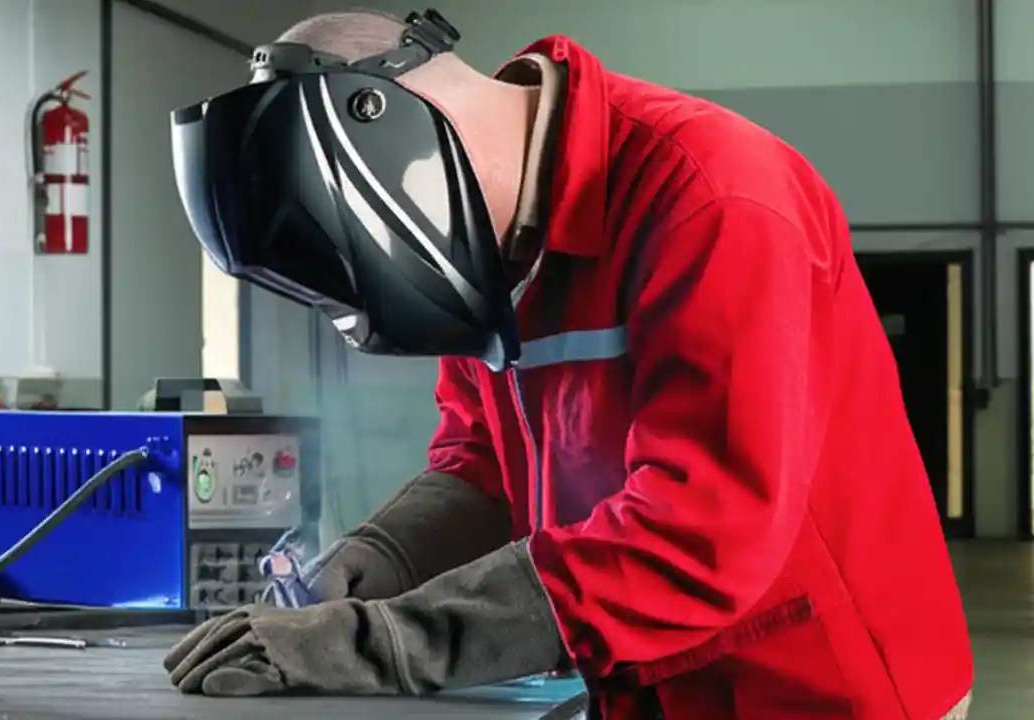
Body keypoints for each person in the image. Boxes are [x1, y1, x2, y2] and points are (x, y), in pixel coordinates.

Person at [162, 8, 974, 719]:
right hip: (641, 680)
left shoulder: (712, 199)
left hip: (813, 693)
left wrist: (382, 643)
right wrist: (377, 561)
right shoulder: (491, 245)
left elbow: (700, 532)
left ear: (387, 137)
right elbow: (480, 463)